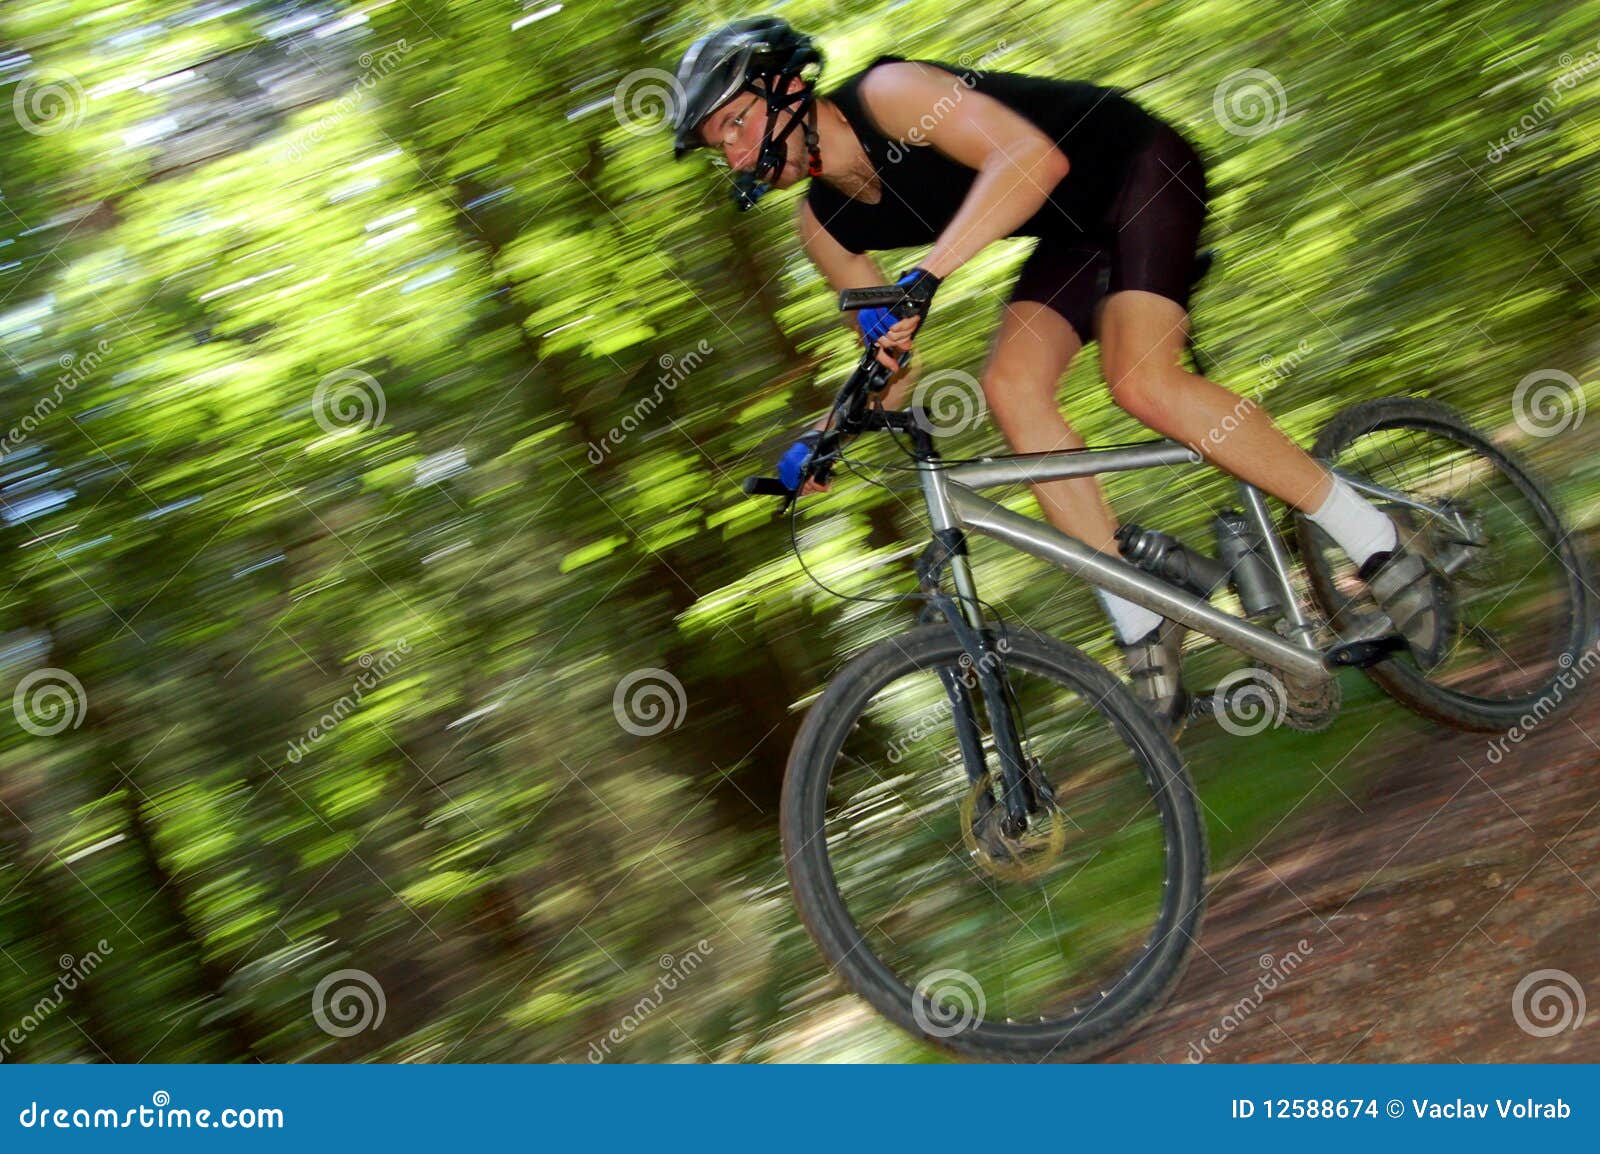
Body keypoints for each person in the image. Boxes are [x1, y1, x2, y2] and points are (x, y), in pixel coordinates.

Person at [669, 17, 1450, 734]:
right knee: (1010, 389)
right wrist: (826, 434)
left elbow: (1032, 158)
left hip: (1137, 166)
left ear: (788, 86)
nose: (733, 154)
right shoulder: (824, 227)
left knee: (1139, 379)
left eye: (736, 122)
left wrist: (928, 272)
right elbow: (891, 367)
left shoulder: (889, 94)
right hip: (1073, 235)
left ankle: (1378, 541)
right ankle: (1143, 619)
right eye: (717, 144)